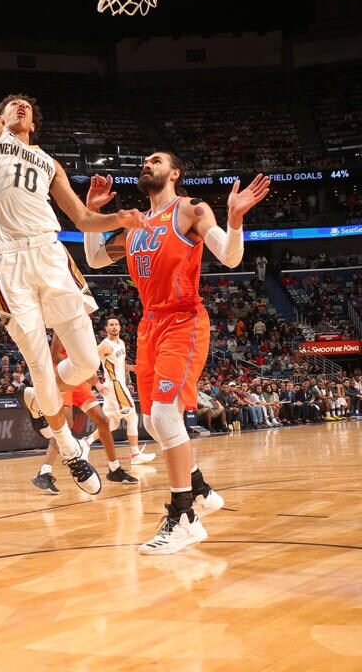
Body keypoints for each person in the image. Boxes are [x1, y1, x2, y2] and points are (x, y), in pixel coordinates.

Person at [0, 0, 146, 495]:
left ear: (32, 121)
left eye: (22, 106)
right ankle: (68, 449)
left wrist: (119, 217)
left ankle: (47, 399)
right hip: (7, 258)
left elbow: (81, 218)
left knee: (84, 362)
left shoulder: (51, 163)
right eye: (9, 102)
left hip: (52, 255)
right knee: (37, 358)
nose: (14, 106)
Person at [84, 153, 270, 553]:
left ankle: (184, 515)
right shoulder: (135, 222)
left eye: (155, 160)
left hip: (183, 320)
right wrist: (91, 213)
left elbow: (231, 255)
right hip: (149, 326)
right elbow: (95, 258)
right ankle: (200, 489)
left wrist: (235, 220)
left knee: (167, 415)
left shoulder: (189, 210)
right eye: (144, 162)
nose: (146, 165)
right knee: (152, 421)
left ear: (175, 173)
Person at [31, 334, 138, 493]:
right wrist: (78, 368)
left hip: (80, 379)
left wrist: (90, 375)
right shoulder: (60, 327)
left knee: (103, 421)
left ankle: (114, 469)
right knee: (66, 424)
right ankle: (44, 473)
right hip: (63, 377)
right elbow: (55, 356)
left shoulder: (83, 327)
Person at [82, 317, 156, 466]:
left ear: (120, 327)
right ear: (106, 329)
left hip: (117, 385)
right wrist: (98, 385)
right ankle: (135, 454)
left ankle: (85, 442)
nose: (114, 327)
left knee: (112, 424)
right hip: (115, 386)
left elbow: (118, 362)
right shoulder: (104, 346)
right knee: (132, 417)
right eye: (111, 325)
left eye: (116, 324)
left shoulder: (121, 343)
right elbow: (90, 366)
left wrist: (129, 367)